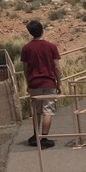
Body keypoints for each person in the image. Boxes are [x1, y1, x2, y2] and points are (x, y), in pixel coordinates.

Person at [20, 20, 59, 148]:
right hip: (49, 82)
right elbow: (56, 67)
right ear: (42, 30)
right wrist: (59, 82)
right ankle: (44, 137)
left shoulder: (26, 48)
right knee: (48, 110)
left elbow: (25, 69)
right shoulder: (51, 46)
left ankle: (36, 135)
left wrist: (28, 83)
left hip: (34, 83)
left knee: (37, 111)